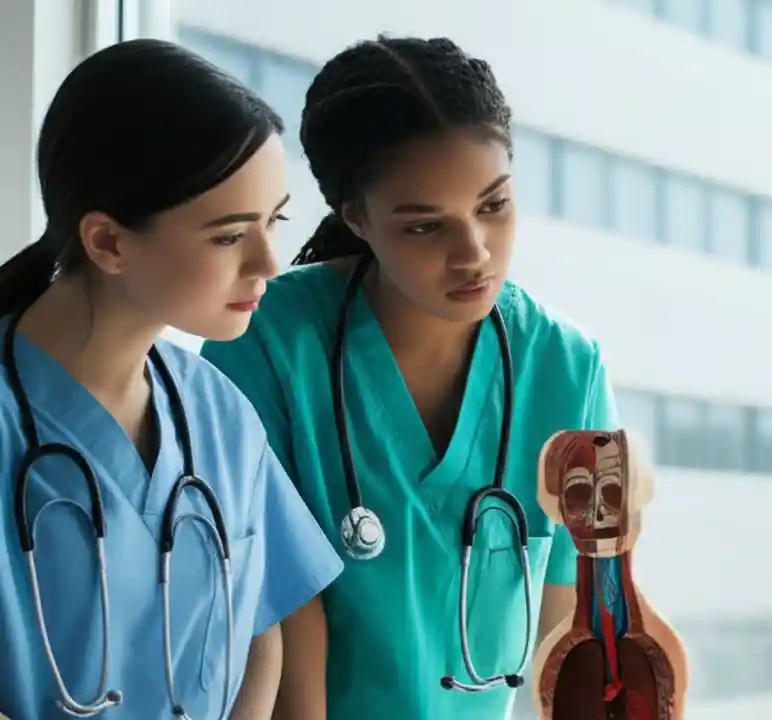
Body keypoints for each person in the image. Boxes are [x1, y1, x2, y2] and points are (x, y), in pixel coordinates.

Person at [200, 35, 621, 719]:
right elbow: (272, 622)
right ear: (356, 218)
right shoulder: (267, 342)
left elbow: (570, 638)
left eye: (494, 205)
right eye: (426, 227)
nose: (474, 255)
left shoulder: (572, 371)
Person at [0, 39, 343, 719]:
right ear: (108, 242)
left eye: (273, 222)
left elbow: (259, 625)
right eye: (228, 236)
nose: (269, 262)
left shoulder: (219, 414)